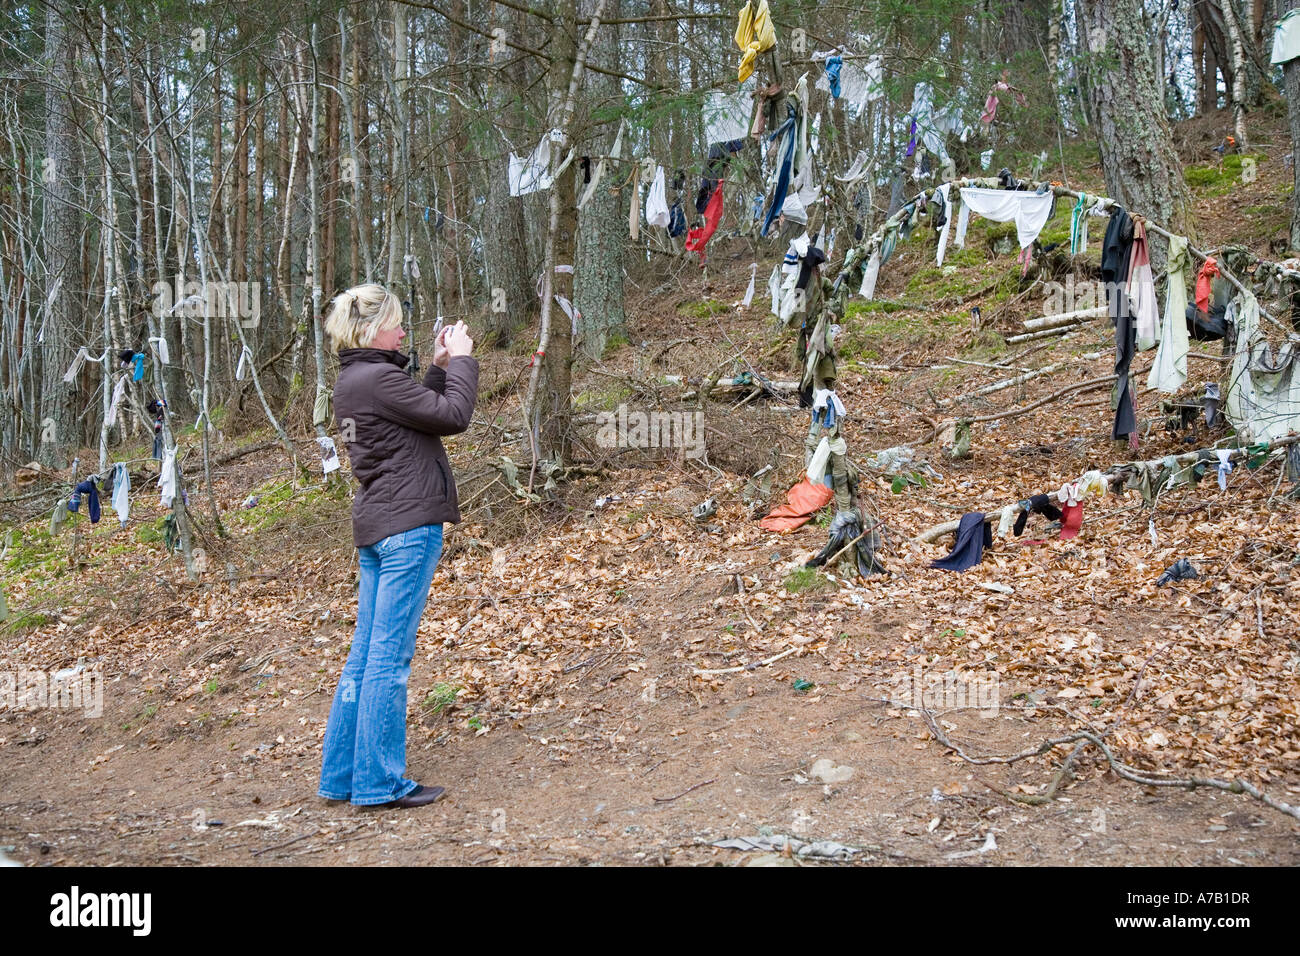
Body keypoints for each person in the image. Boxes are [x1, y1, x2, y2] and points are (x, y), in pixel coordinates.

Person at [317, 283, 478, 809]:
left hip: (378, 524)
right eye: (396, 323)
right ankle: (379, 782)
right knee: (389, 658)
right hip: (408, 528)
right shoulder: (379, 379)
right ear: (370, 330)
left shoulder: (354, 381)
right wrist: (462, 362)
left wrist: (435, 368)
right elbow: (453, 416)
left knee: (365, 656)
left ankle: (343, 775)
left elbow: (419, 413)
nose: (404, 331)